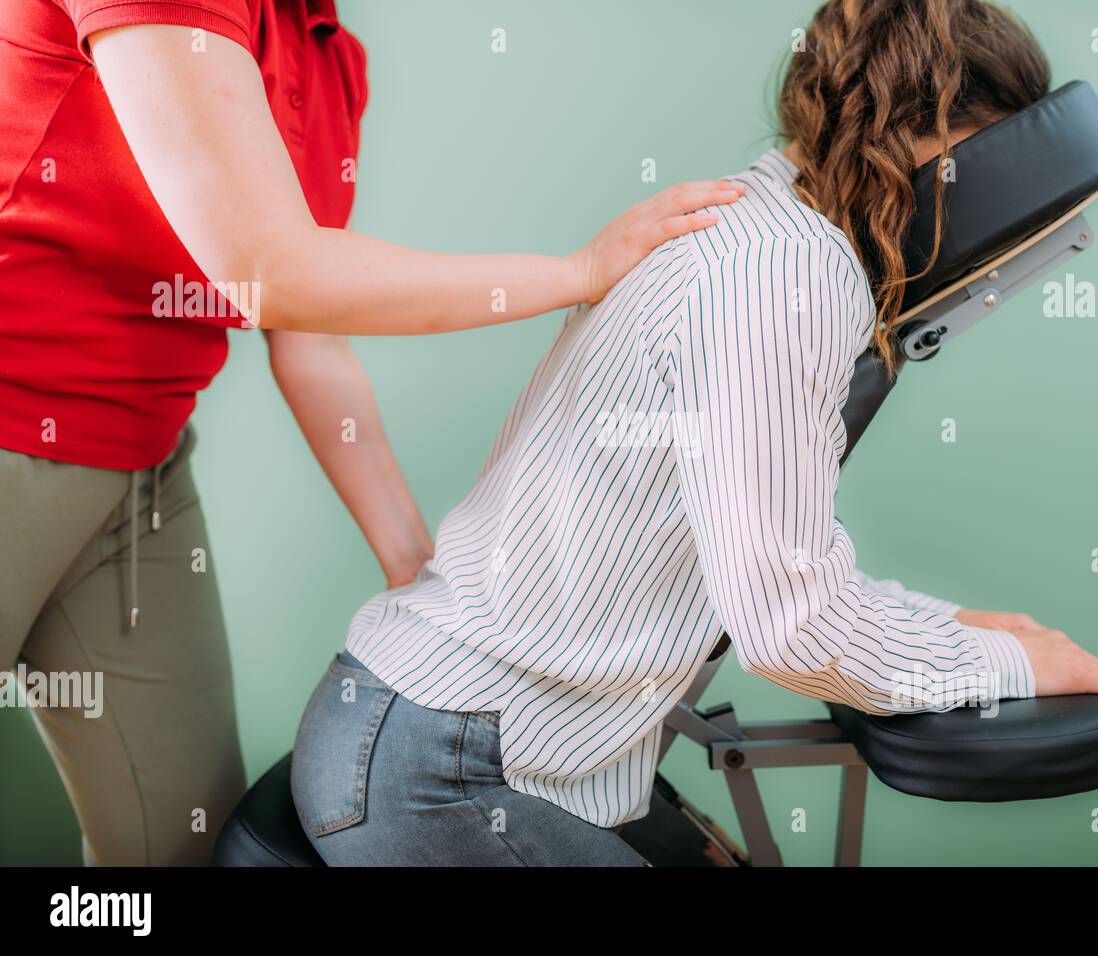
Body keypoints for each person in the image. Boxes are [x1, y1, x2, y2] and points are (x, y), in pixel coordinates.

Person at [293, 0, 1098, 867]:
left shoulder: (759, 226)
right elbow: (790, 622)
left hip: (455, 739)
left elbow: (779, 557)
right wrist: (1007, 668)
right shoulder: (786, 274)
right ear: (926, 132)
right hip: (445, 770)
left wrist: (956, 627)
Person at [0, 0, 742, 866]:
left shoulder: (326, 51)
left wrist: (412, 562)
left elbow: (308, 332)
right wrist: (575, 274)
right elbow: (266, 274)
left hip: (142, 467)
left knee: (182, 846)